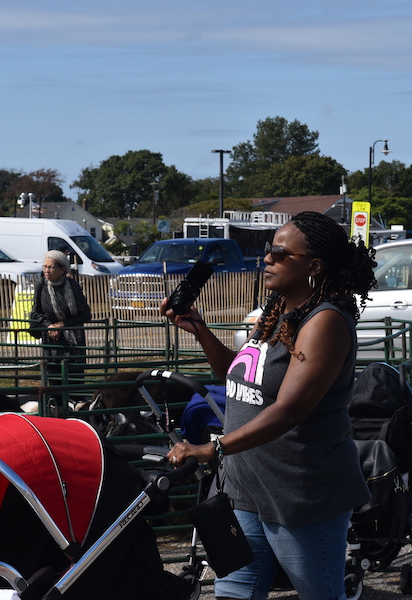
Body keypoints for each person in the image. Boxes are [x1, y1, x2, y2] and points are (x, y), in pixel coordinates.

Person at [163, 211, 376, 600]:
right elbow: (242, 374)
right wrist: (201, 329)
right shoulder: (276, 313)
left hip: (300, 494)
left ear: (314, 265)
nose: (267, 259)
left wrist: (213, 448)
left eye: (279, 253)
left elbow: (290, 409)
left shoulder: (324, 322)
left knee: (321, 593)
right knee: (234, 592)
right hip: (246, 487)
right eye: (267, 251)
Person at [28, 250, 91, 393]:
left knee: (75, 385)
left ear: (62, 269)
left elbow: (86, 314)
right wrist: (49, 326)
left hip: (73, 344)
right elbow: (36, 313)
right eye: (45, 266)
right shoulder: (41, 286)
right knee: (54, 384)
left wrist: (62, 325)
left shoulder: (73, 286)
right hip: (51, 344)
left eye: (51, 267)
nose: (47, 271)